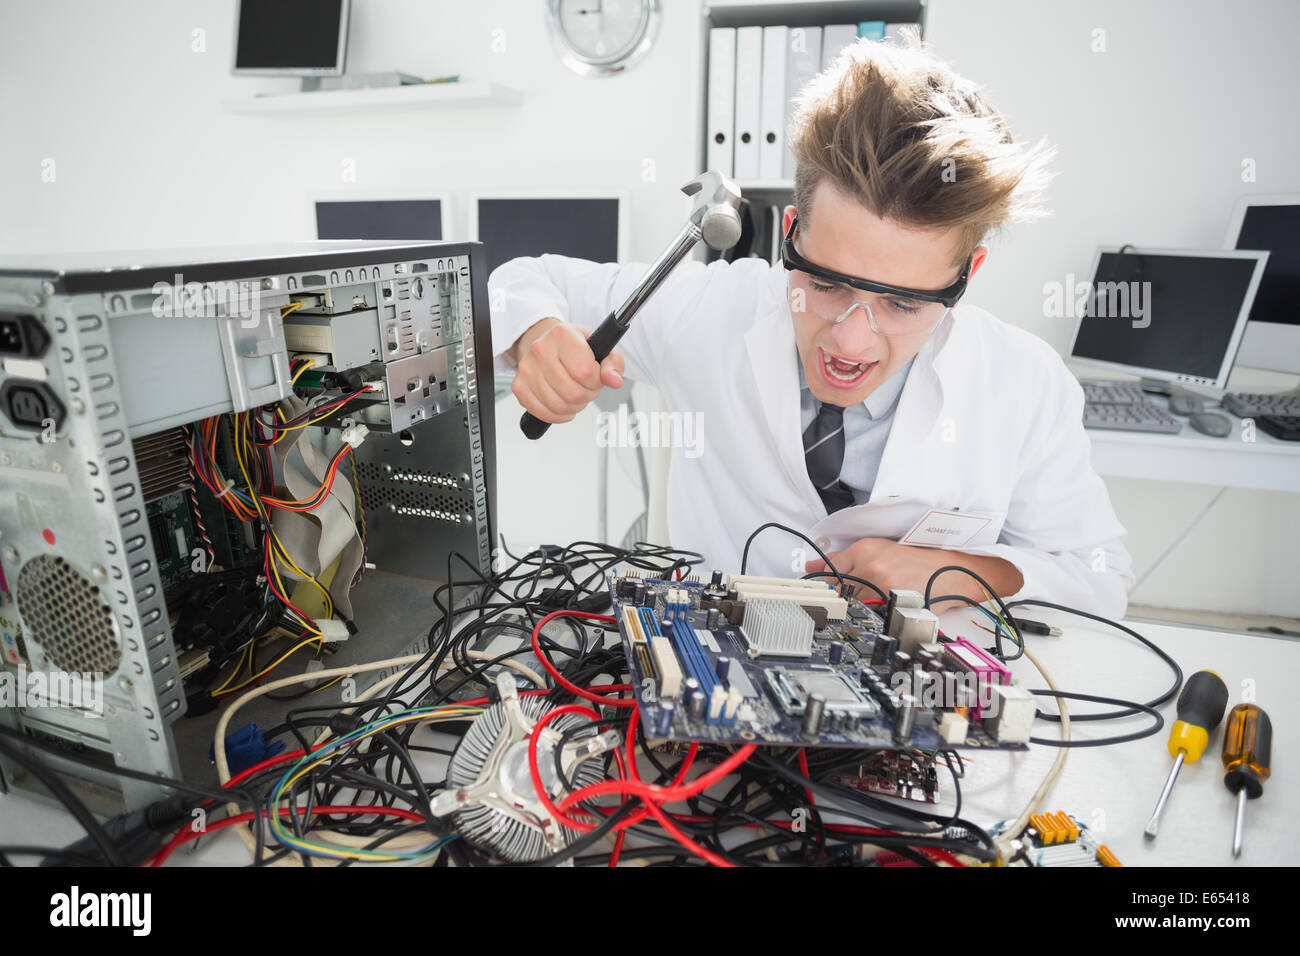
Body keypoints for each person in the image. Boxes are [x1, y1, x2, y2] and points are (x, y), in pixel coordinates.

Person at [489, 35, 1132, 618]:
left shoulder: (1025, 382)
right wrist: (536, 336)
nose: (850, 341)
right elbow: (523, 279)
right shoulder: (714, 312)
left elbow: (1097, 576)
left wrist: (954, 571)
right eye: (824, 284)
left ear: (968, 274)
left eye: (903, 305)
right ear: (791, 232)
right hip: (709, 689)